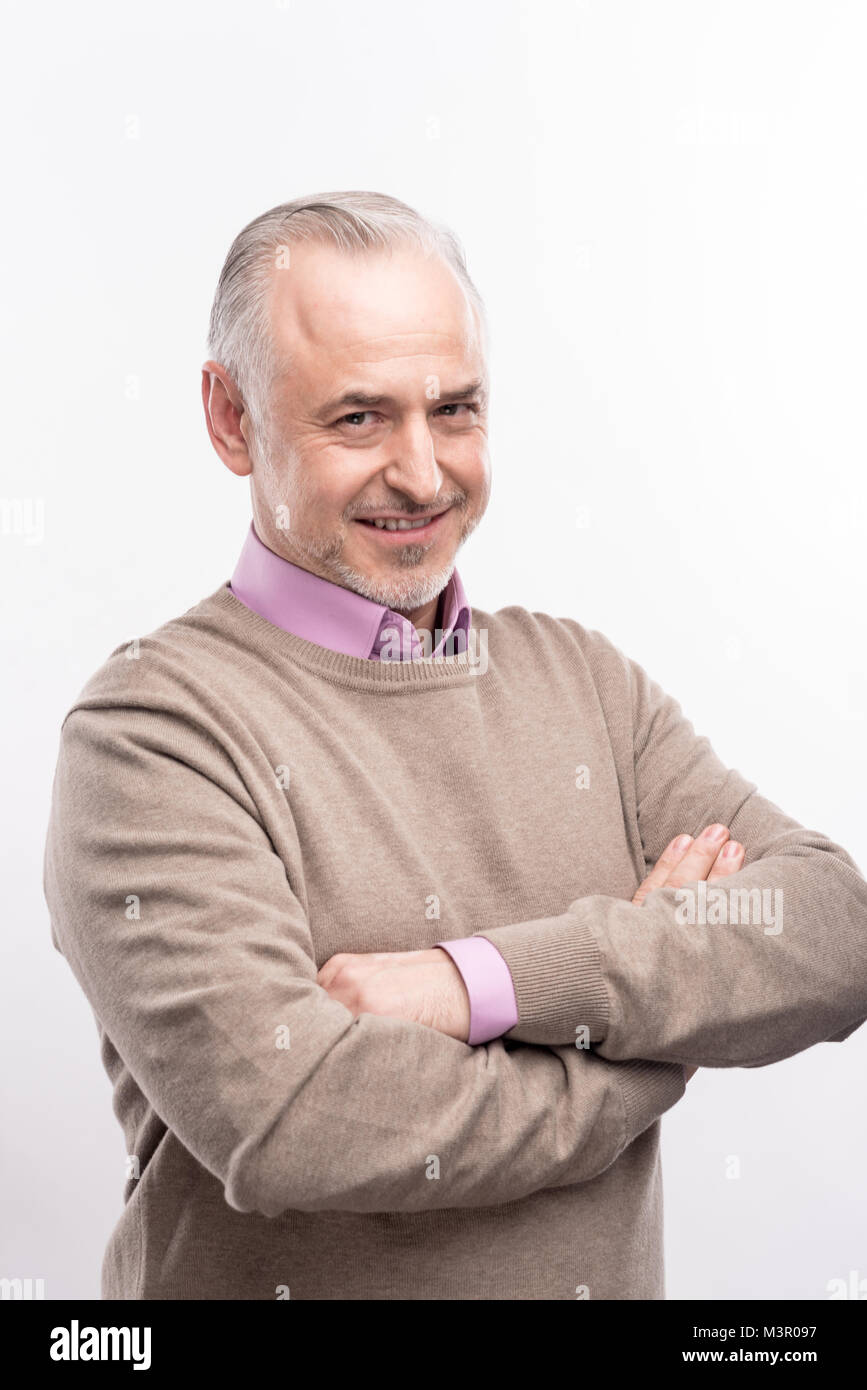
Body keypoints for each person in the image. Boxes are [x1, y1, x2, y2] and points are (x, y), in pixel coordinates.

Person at [43, 191, 867, 1301]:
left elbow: (827, 930)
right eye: (358, 418)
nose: (425, 474)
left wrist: (474, 983)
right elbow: (296, 1120)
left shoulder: (588, 682)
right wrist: (652, 1040)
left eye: (458, 410)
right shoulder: (151, 735)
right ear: (230, 418)